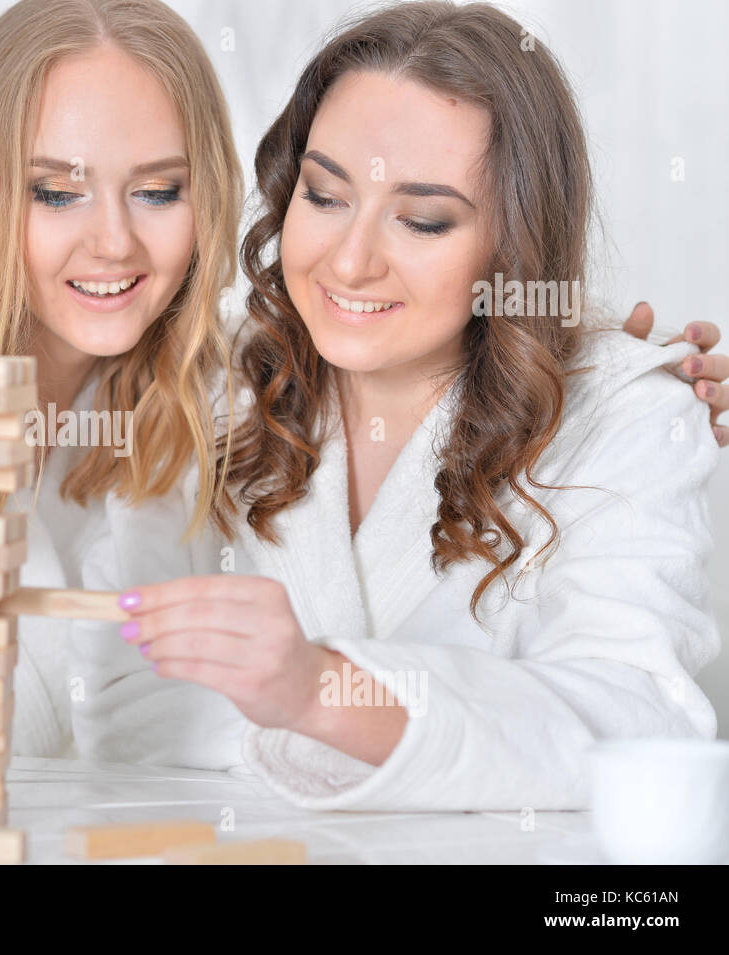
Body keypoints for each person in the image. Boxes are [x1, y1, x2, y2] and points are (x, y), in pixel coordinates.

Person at [0, 0, 725, 768]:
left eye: (159, 191)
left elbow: (638, 718)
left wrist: (610, 374)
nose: (112, 246)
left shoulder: (198, 400)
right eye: (54, 191)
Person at [94, 0, 725, 810]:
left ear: (515, 243)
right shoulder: (205, 394)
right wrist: (461, 729)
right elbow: (115, 705)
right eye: (324, 197)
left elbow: (640, 725)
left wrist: (322, 691)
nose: (350, 261)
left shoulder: (628, 417)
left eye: (423, 221)